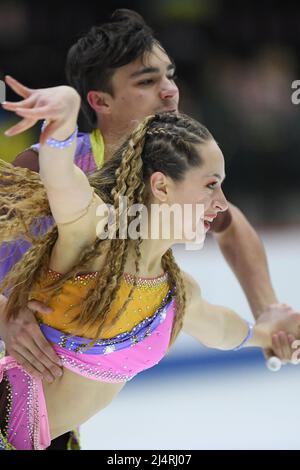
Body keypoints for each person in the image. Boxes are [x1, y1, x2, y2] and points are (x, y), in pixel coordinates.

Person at [0, 9, 297, 449]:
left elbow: (230, 227)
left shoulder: (175, 181)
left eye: (171, 74)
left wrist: (269, 313)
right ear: (100, 101)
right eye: (146, 80)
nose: (170, 89)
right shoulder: (54, 172)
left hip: (52, 412)